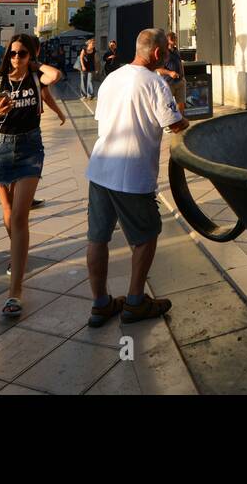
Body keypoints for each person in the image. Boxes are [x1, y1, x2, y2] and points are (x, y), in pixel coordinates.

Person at [85, 28, 187, 327]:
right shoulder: (155, 82)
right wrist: (185, 118)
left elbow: (103, 119)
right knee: (146, 236)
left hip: (100, 167)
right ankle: (134, 300)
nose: (167, 56)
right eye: (165, 52)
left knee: (97, 238)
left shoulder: (112, 78)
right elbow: (173, 125)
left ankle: (100, 304)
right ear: (157, 53)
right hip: (131, 173)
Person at [0, 34, 66, 317]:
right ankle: (17, 253)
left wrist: (34, 65)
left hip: (30, 148)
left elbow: (56, 75)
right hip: (1, 148)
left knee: (19, 216)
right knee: (7, 210)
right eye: (13, 53)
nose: (16, 58)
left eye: (22, 53)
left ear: (30, 55)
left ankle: (15, 291)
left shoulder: (35, 78)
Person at [157, 31, 188, 113]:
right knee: (168, 106)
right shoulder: (163, 52)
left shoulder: (176, 50)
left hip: (180, 82)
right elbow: (158, 69)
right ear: (167, 40)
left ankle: (180, 122)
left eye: (175, 38)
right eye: (173, 38)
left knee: (181, 104)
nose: (175, 40)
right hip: (168, 83)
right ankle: (170, 123)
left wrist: (183, 77)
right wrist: (170, 73)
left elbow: (180, 63)